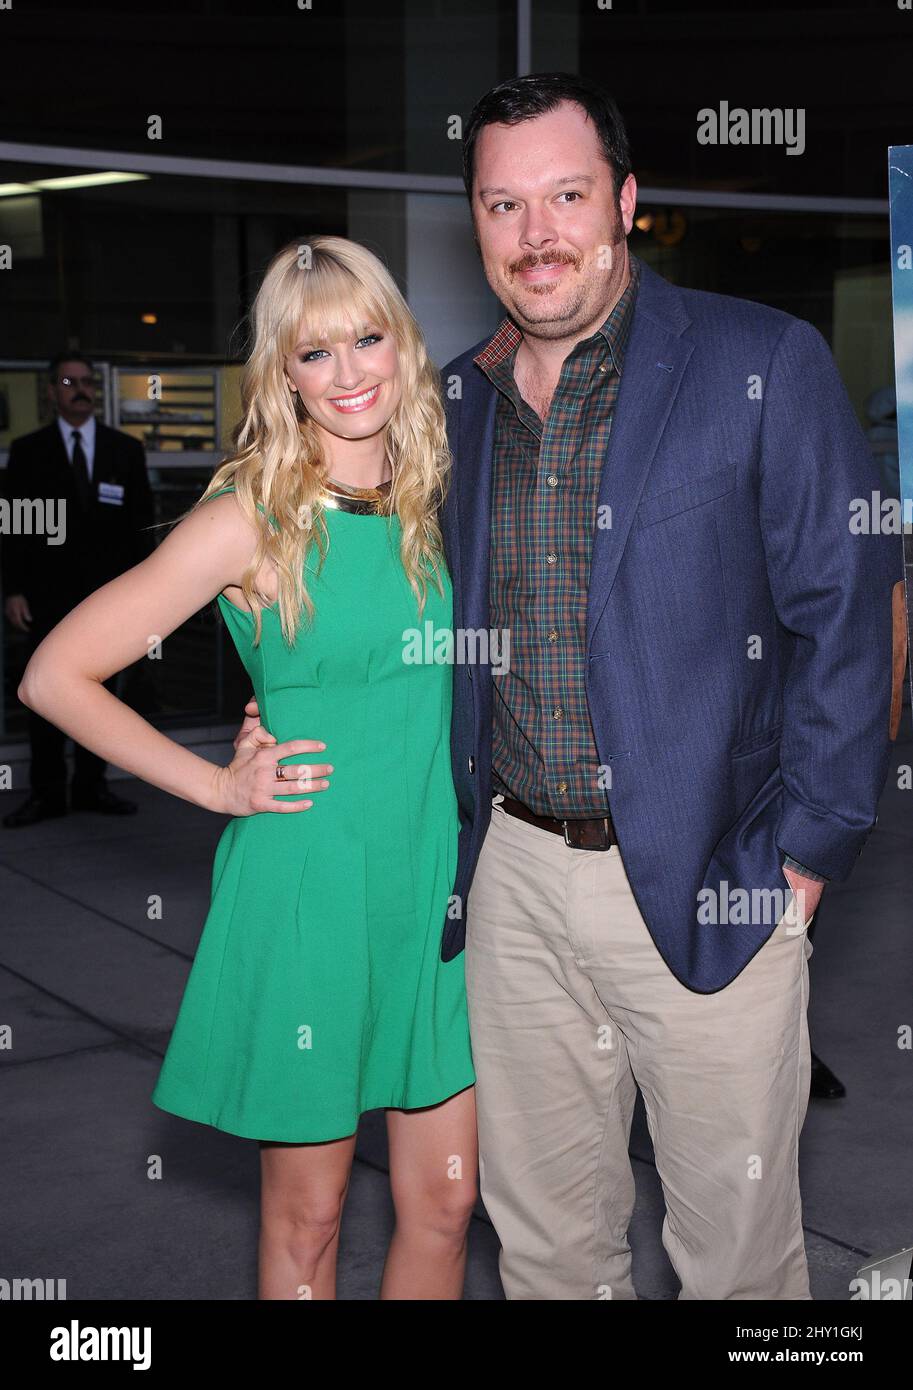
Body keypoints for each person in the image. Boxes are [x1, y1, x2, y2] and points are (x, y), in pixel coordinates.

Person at [437, 72, 901, 1299]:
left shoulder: (760, 360)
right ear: (475, 222)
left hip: (721, 873)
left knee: (738, 1260)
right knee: (545, 1245)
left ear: (627, 203)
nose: (535, 236)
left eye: (565, 196)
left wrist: (806, 855)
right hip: (517, 882)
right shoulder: (456, 404)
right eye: (502, 204)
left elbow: (847, 618)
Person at [17, 237, 477, 1300]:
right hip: (308, 883)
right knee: (308, 1220)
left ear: (403, 347)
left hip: (436, 890)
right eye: (316, 353)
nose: (350, 371)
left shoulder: (439, 498)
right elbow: (55, 674)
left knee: (446, 1203)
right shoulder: (249, 519)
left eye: (368, 338)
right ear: (282, 375)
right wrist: (218, 785)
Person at [2, 352, 153, 826]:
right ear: (51, 392)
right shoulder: (28, 452)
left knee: (104, 692)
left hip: (110, 600)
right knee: (46, 689)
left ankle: (92, 786)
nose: (80, 389)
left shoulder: (125, 451)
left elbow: (141, 528)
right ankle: (47, 794)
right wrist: (14, 590)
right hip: (48, 596)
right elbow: (15, 527)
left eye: (87, 381)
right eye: (70, 381)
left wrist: (144, 596)